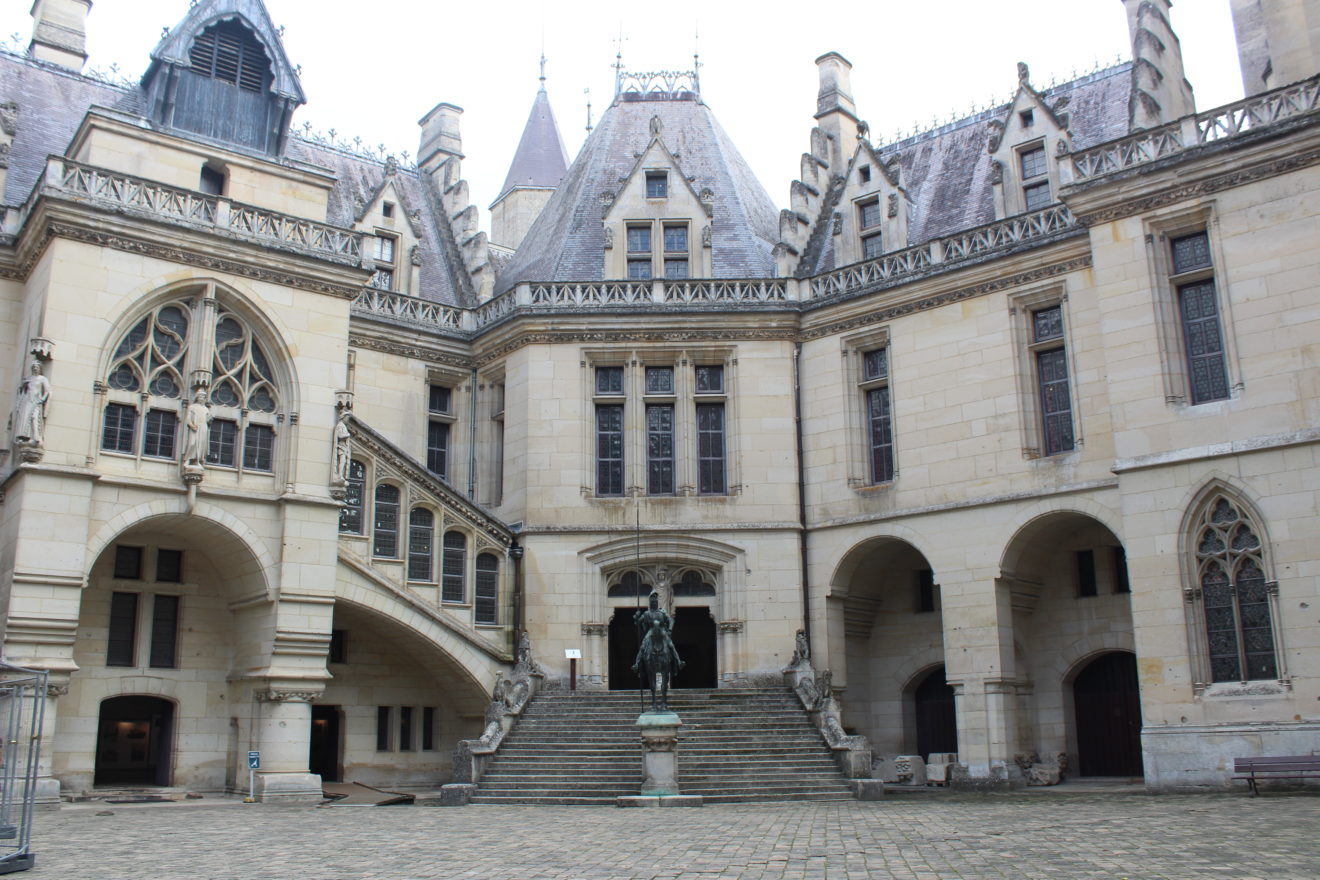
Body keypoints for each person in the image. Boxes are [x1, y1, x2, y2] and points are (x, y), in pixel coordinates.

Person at [633, 591, 684, 680]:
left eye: (655, 600)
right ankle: (637, 664)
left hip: (662, 631)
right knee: (643, 647)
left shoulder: (662, 612)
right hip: (651, 632)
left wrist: (670, 630)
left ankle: (678, 662)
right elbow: (638, 623)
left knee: (671, 645)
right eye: (652, 600)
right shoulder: (646, 613)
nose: (654, 601)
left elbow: (671, 620)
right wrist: (636, 617)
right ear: (650, 602)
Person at [12, 361, 51, 447]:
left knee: (34, 417)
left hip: (36, 400)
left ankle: (36, 437)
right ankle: (25, 436)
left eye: (37, 367)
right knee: (25, 418)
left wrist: (42, 399)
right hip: (27, 400)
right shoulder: (29, 378)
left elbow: (47, 391)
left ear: (40, 368)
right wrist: (23, 385)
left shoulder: (42, 378)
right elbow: (22, 390)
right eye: (34, 367)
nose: (35, 368)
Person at [182, 390, 211, 466]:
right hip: (195, 427)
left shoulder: (206, 409)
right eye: (200, 396)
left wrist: (210, 420)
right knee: (192, 443)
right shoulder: (192, 407)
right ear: (197, 397)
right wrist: (192, 425)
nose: (202, 398)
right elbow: (188, 419)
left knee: (201, 444)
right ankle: (187, 459)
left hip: (203, 427)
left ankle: (197, 461)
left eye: (203, 397)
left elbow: (208, 421)